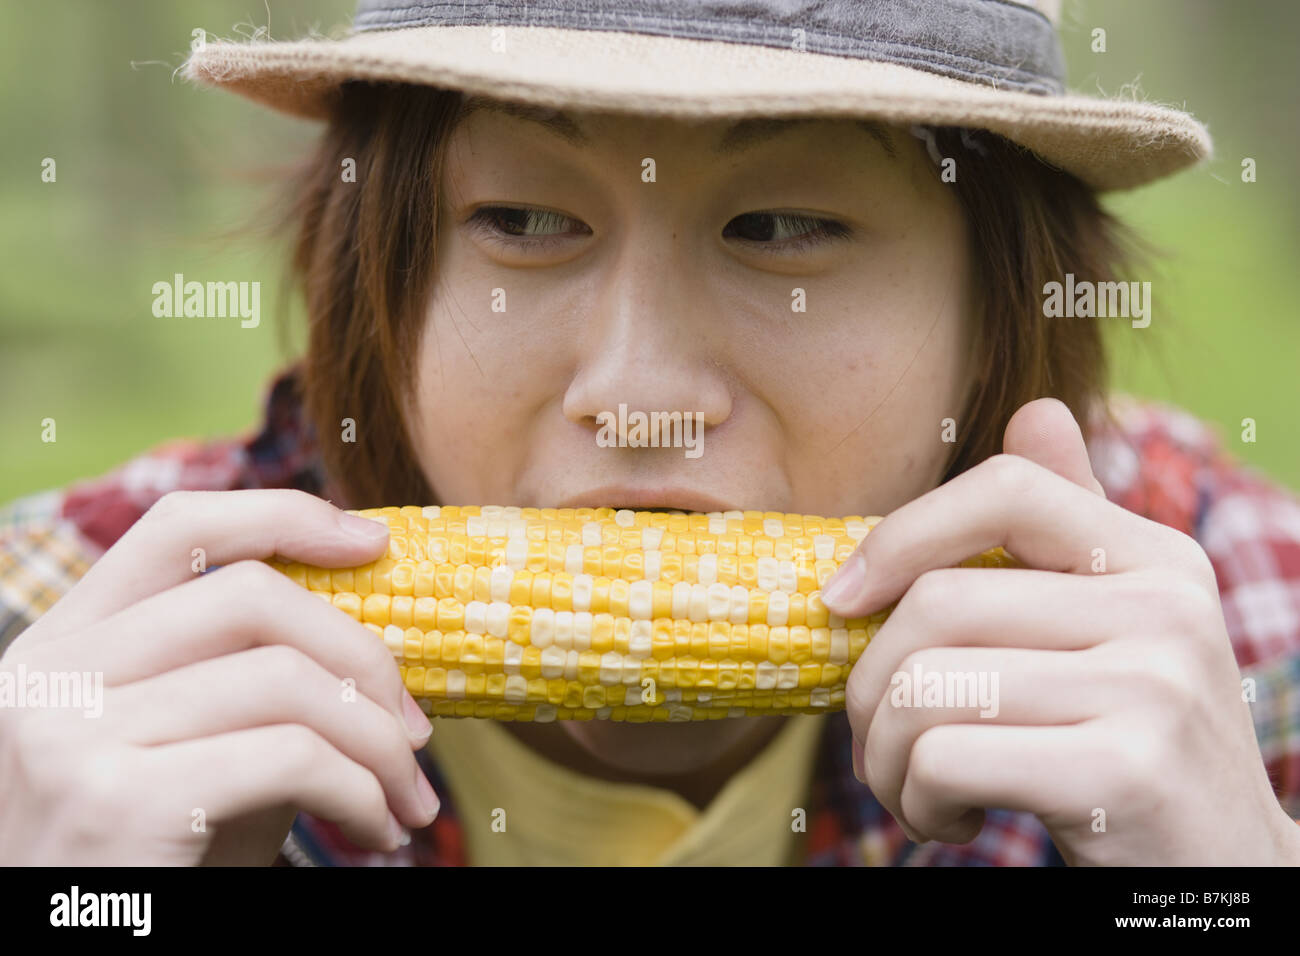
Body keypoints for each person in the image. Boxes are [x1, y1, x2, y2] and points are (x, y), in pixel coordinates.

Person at [1, 0, 1297, 866]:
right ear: (374, 273)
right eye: (522, 220)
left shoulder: (1247, 638)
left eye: (781, 229)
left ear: (997, 308)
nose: (636, 391)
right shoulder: (45, 647)